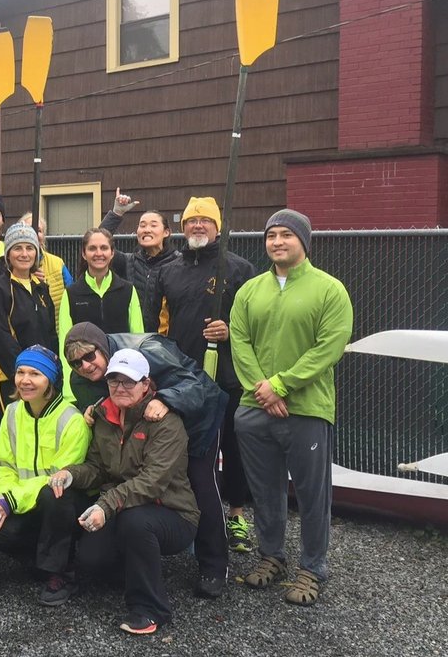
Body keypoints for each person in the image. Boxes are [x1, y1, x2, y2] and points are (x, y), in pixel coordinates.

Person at [230, 209, 353, 606]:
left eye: (286, 235)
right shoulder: (250, 291)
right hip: (254, 408)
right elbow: (240, 340)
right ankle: (272, 556)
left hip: (307, 409)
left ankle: (313, 567)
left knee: (312, 493)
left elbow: (329, 347)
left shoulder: (329, 290)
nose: (277, 241)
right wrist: (262, 389)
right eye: (271, 235)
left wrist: (281, 385)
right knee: (264, 491)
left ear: (303, 241)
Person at [63, 322, 228, 599]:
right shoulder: (79, 378)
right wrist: (89, 410)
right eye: (75, 362)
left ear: (101, 347)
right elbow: (103, 402)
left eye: (90, 356)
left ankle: (214, 565)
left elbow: (194, 385)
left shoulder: (148, 350)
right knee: (135, 482)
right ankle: (136, 552)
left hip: (198, 419)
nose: (85, 366)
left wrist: (167, 398)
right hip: (146, 429)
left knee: (201, 485)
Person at [50, 348, 198, 636]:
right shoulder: (103, 417)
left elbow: (152, 482)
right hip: (124, 506)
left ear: (146, 384)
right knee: (92, 560)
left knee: (136, 523)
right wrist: (70, 473)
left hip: (173, 513)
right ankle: (138, 569)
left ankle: (151, 609)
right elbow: (97, 468)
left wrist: (105, 507)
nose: (120, 388)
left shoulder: (166, 422)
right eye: (114, 380)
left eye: (128, 381)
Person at [153, 196, 257, 591]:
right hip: (182, 379)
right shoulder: (170, 271)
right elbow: (158, 326)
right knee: (192, 458)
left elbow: (253, 324)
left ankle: (235, 513)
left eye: (205, 221)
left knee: (231, 449)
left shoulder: (239, 269)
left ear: (218, 226)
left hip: (226, 378)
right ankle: (187, 519)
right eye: (191, 221)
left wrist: (229, 331)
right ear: (182, 227)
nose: (198, 226)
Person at [0, 346, 91, 606]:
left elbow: (58, 478)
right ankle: (39, 561)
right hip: (24, 501)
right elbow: (3, 466)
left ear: (50, 380)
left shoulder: (71, 420)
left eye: (35, 373)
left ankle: (60, 571)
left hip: (61, 506)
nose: (25, 380)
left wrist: (11, 499)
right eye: (20, 372)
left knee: (55, 493)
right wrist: (2, 498)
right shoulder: (11, 413)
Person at [58, 227, 144, 401]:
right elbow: (64, 345)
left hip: (121, 378)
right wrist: (68, 390)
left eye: (104, 248)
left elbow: (138, 338)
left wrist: (137, 378)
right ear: (84, 253)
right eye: (92, 248)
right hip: (85, 380)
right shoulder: (71, 293)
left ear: (112, 253)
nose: (99, 253)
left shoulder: (127, 290)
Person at [0, 223, 58, 412]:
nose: (24, 254)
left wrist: (51, 369)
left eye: (29, 248)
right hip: (14, 377)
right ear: (8, 254)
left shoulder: (41, 287)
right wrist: (23, 374)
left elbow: (50, 332)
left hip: (43, 375)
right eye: (17, 248)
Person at [18, 211, 72, 321]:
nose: (33, 234)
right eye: (29, 229)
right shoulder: (9, 267)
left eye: (38, 230)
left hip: (55, 332)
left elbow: (72, 294)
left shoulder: (57, 263)